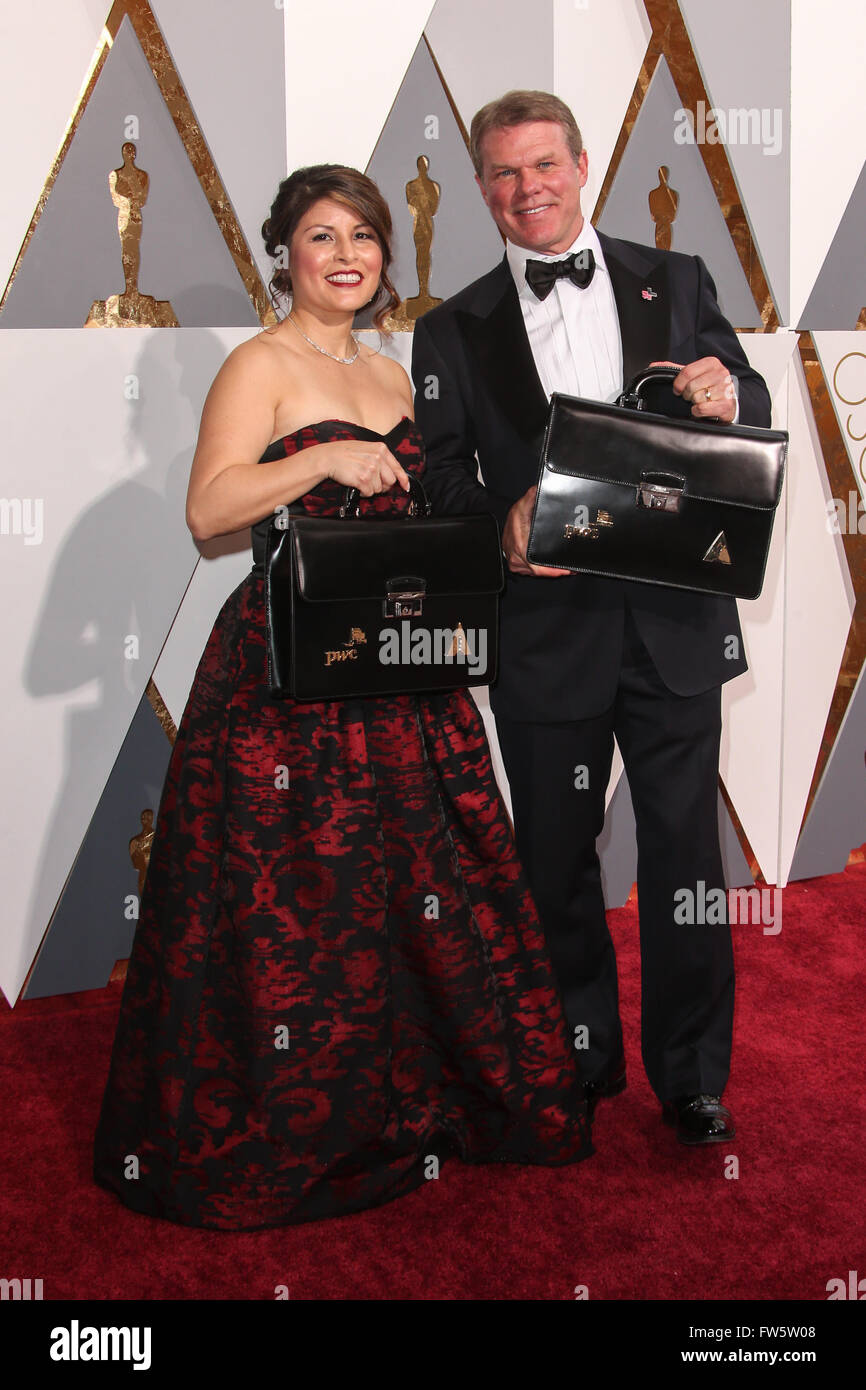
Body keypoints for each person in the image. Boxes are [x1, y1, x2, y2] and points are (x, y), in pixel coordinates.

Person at [93, 164, 591, 1231]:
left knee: (408, 885)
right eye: (321, 236)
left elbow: (424, 499)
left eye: (362, 236)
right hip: (285, 666)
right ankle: (301, 1120)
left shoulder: (394, 369)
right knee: (297, 897)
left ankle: (409, 1097)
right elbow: (211, 507)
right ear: (287, 256)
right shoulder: (257, 365)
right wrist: (321, 453)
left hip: (397, 662)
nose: (346, 254)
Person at [411, 91, 773, 1146]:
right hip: (543, 630)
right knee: (552, 864)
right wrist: (501, 521)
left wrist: (729, 395)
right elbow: (434, 484)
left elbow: (741, 395)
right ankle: (573, 1064)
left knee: (684, 863)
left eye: (543, 165)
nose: (526, 188)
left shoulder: (679, 279)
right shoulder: (450, 326)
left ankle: (692, 1079)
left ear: (580, 166)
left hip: (670, 622)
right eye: (503, 173)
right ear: (481, 187)